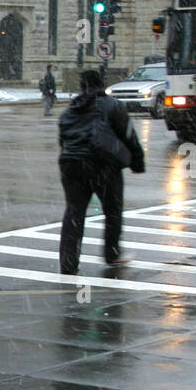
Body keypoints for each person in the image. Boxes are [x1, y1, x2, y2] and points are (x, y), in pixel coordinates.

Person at [56, 68, 145, 275]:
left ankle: (68, 263)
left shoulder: (70, 110)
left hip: (71, 164)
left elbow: (63, 140)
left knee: (74, 212)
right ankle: (112, 254)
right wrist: (137, 162)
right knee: (113, 210)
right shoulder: (113, 106)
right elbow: (129, 136)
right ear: (102, 84)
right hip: (102, 165)